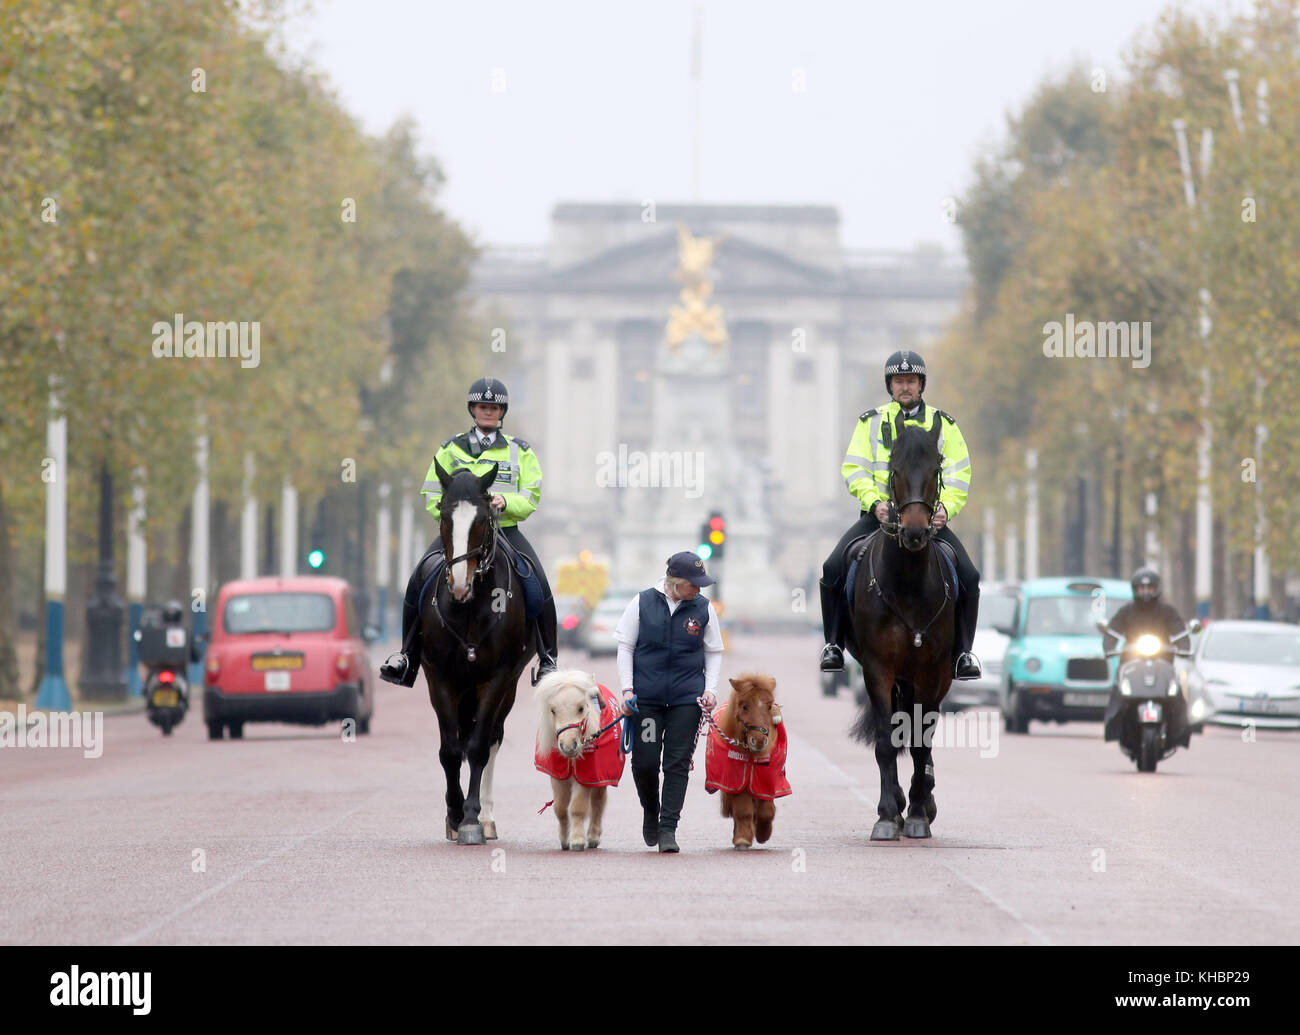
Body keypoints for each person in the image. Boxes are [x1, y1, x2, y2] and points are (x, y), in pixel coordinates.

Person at [380, 377, 558, 687]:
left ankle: (548, 659)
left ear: (501, 411)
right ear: (473, 409)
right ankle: (406, 656)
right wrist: (452, 515)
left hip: (504, 529)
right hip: (459, 533)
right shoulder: (450, 448)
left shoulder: (521, 451)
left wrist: (507, 501)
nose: (488, 412)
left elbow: (531, 495)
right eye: (482, 407)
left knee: (537, 583)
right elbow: (432, 493)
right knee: (418, 579)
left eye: (493, 407)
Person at [818, 349, 982, 679]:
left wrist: (945, 509)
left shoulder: (944, 425)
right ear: (889, 386)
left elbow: (958, 473)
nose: (904, 387)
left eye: (910, 381)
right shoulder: (870, 423)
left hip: (926, 519)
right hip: (878, 516)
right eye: (898, 381)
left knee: (970, 577)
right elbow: (855, 468)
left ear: (921, 385)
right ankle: (833, 644)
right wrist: (874, 502)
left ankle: (964, 652)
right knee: (832, 567)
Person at [614, 552, 725, 853]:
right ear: (676, 584)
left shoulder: (703, 608)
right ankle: (651, 810)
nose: (700, 590)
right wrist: (627, 690)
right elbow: (626, 647)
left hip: (686, 700)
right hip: (646, 702)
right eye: (695, 584)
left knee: (676, 764)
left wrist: (710, 690)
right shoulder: (641, 603)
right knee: (645, 763)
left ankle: (668, 828)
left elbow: (713, 651)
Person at [1102, 568, 1189, 659]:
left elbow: (1179, 631)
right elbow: (1114, 629)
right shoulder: (1126, 611)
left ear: (1156, 589)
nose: (1145, 591)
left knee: (1171, 672)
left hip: (1163, 659)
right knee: (1121, 672)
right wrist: (1109, 647)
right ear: (1135, 589)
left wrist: (1184, 647)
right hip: (1131, 659)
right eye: (1141, 588)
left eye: (1149, 588)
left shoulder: (1168, 611)